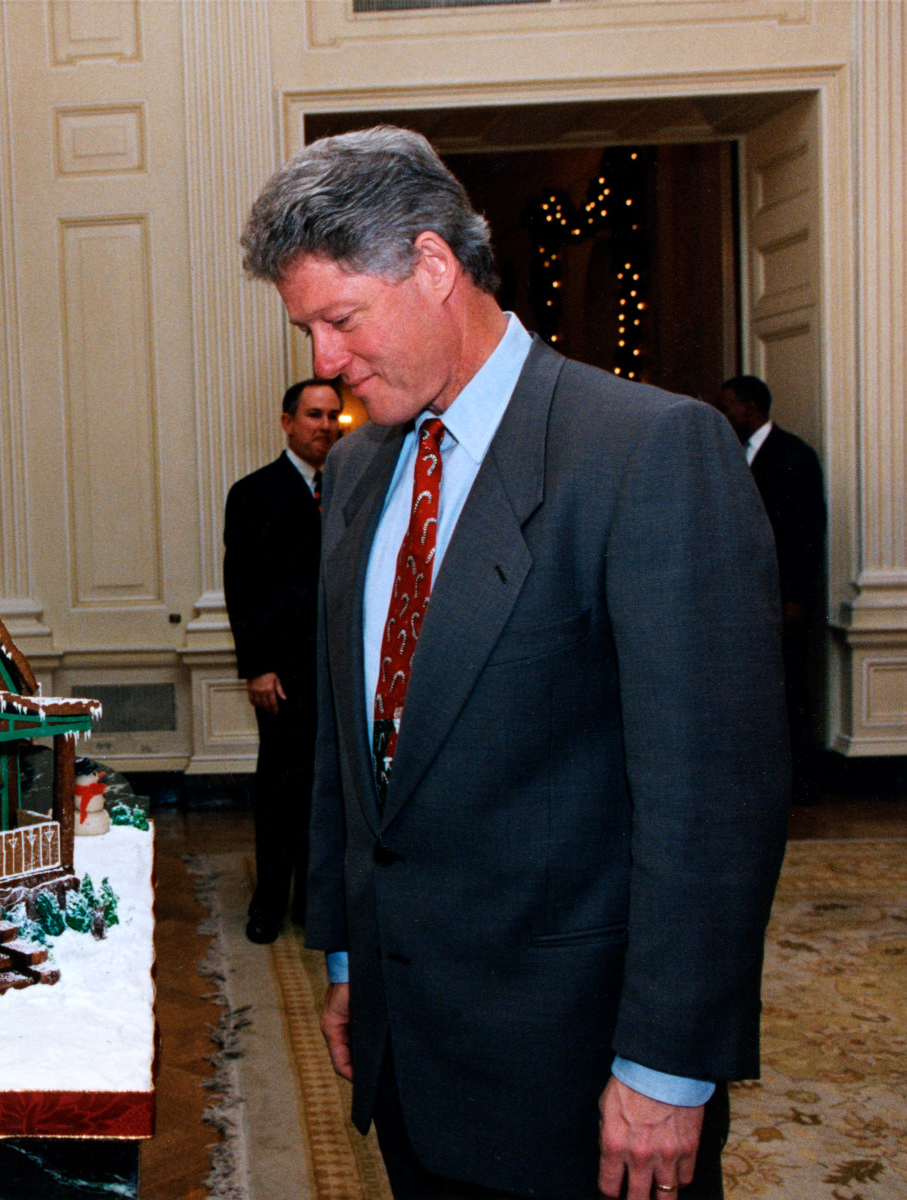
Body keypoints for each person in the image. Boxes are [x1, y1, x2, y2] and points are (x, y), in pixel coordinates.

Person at [240, 126, 789, 1199]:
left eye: (341, 320)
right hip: (408, 1050)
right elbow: (347, 749)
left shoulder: (648, 452)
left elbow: (711, 801)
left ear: (435, 266)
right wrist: (350, 954)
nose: (323, 362)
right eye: (306, 327)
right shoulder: (355, 468)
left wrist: (667, 1067)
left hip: (578, 1076)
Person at [223, 377, 342, 943]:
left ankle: (313, 905)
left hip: (342, 670)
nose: (325, 426)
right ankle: (268, 904)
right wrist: (258, 667)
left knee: (330, 792)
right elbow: (243, 589)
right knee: (282, 790)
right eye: (314, 415)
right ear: (287, 421)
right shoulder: (254, 494)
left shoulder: (351, 487)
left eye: (332, 417)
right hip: (284, 675)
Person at [712, 374, 827, 806]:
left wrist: (796, 599)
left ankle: (798, 784)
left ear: (751, 407)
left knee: (790, 690)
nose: (722, 415)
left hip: (783, 603)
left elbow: (807, 533)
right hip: (742, 602)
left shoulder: (794, 455)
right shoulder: (728, 455)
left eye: (727, 407)